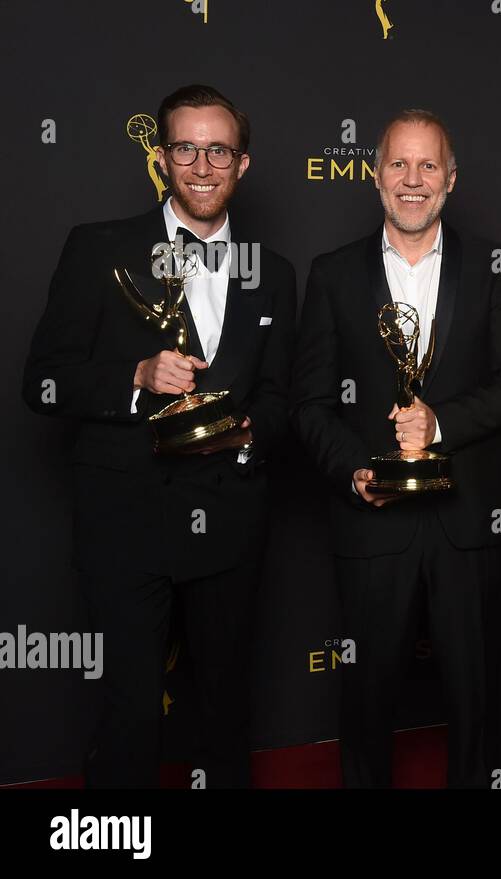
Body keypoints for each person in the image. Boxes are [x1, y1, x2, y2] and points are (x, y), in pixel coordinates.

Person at [22, 84, 297, 787]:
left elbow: (279, 398)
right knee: (130, 714)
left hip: (230, 521)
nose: (202, 166)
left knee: (227, 711)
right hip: (125, 522)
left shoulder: (276, 274)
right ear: (161, 156)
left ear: (244, 163)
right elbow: (44, 381)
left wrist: (240, 433)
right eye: (185, 148)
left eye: (219, 150)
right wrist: (136, 375)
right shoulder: (98, 248)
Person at [291, 109, 501, 788]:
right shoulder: (333, 274)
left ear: (451, 179)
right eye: (398, 164)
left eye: (428, 165)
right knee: (366, 699)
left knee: (478, 699)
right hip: (373, 522)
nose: (413, 179)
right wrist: (353, 468)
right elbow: (309, 402)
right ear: (375, 178)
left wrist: (439, 424)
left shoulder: (493, 264)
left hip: (472, 520)